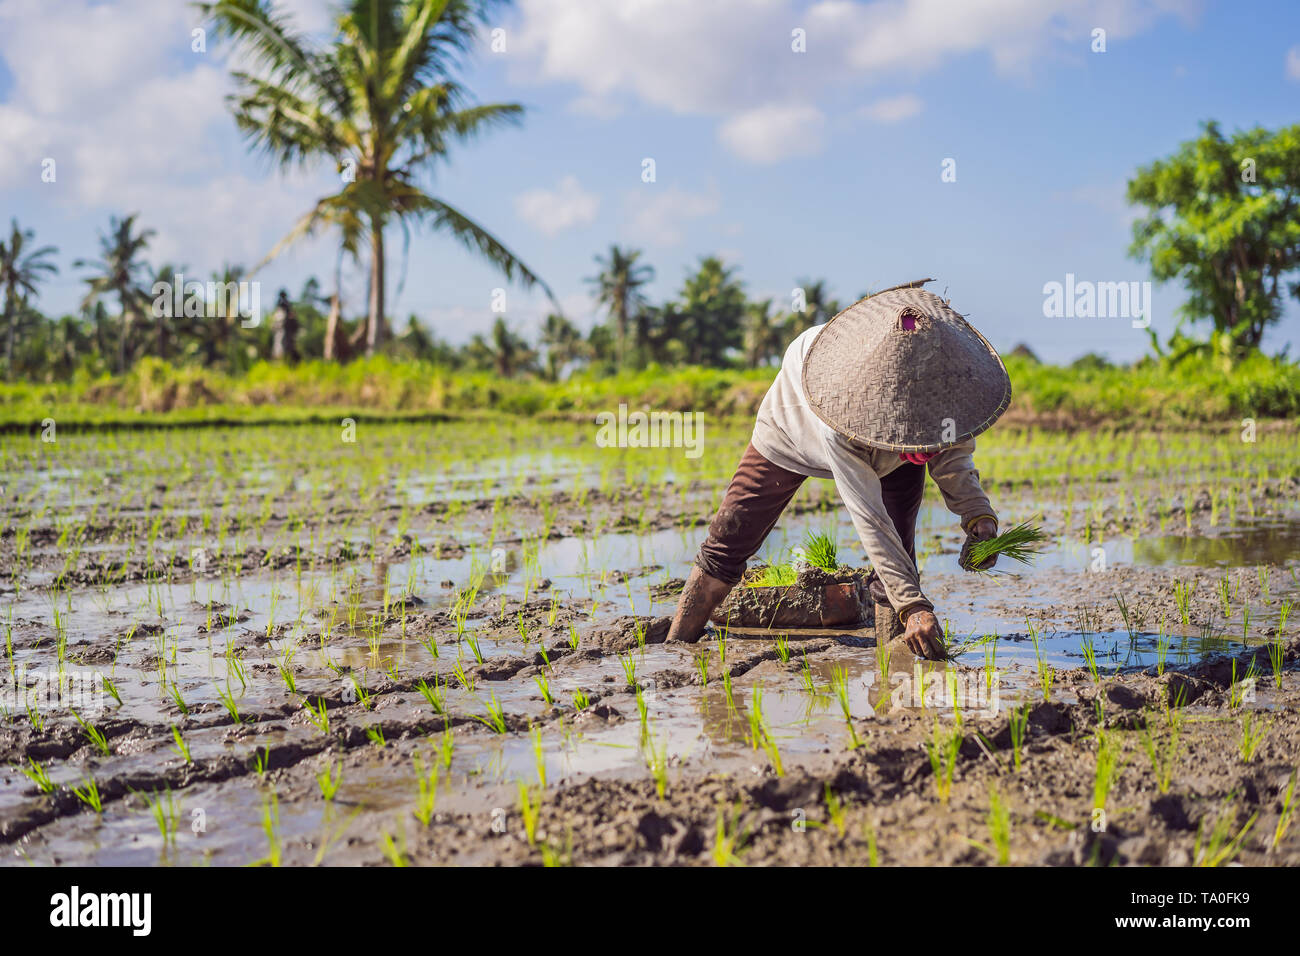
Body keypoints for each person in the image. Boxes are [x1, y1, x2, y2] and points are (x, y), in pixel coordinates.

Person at [664, 279, 1011, 660]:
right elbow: (869, 519)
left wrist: (977, 515)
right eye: (917, 431)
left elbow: (953, 450)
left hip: (890, 450)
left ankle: (894, 665)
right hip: (792, 429)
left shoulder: (944, 382)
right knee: (729, 539)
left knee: (898, 565)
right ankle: (675, 647)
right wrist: (914, 605)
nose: (929, 444)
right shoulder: (843, 412)